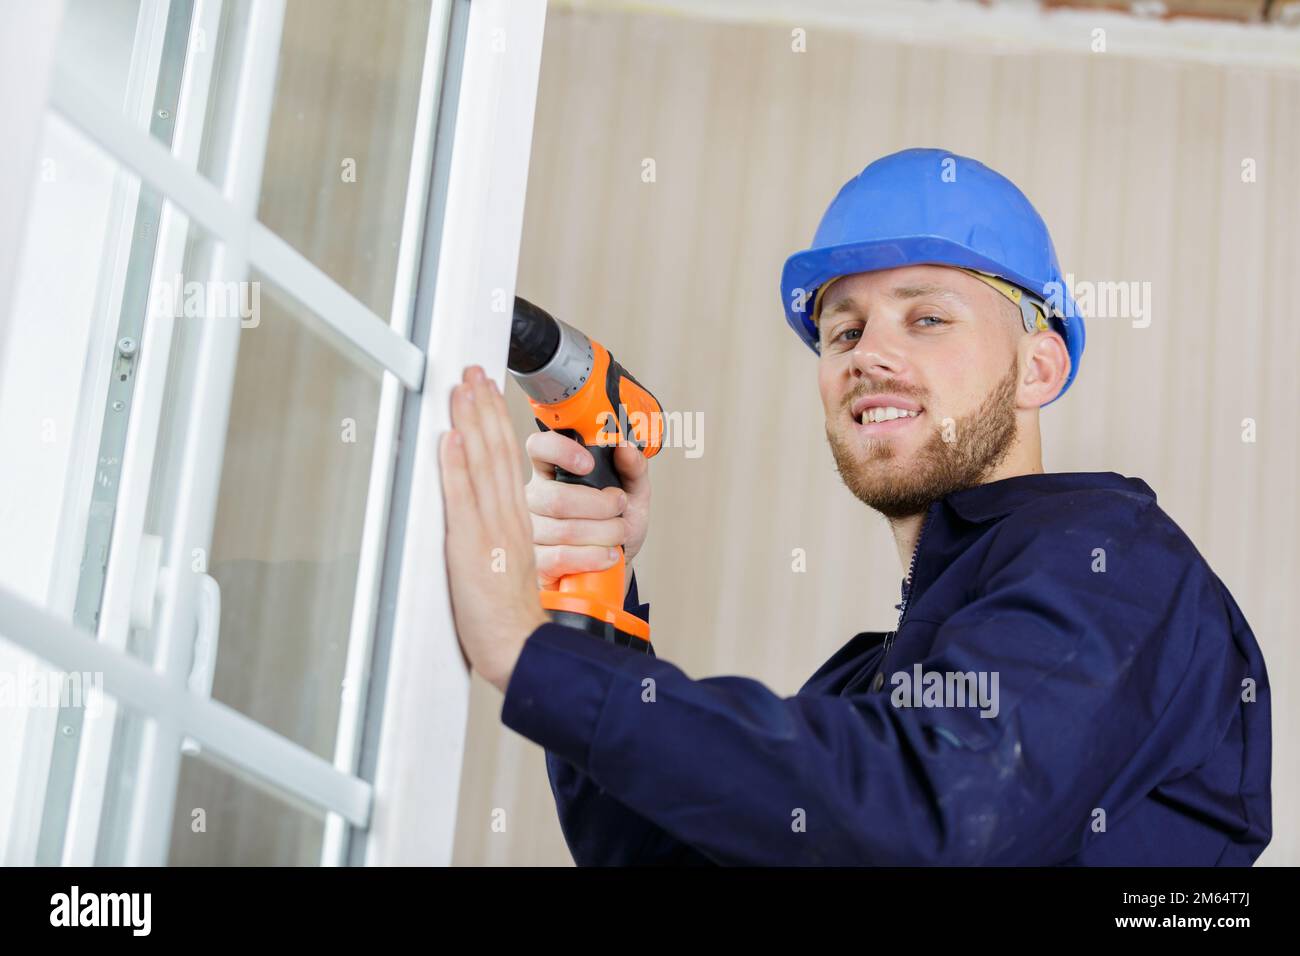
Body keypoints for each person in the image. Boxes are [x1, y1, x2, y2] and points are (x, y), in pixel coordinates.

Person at [438, 148, 1271, 865]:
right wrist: (595, 601)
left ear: (1038, 369)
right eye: (844, 331)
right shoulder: (864, 692)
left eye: (928, 317)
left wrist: (527, 657)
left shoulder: (1118, 569)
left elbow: (943, 810)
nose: (869, 354)